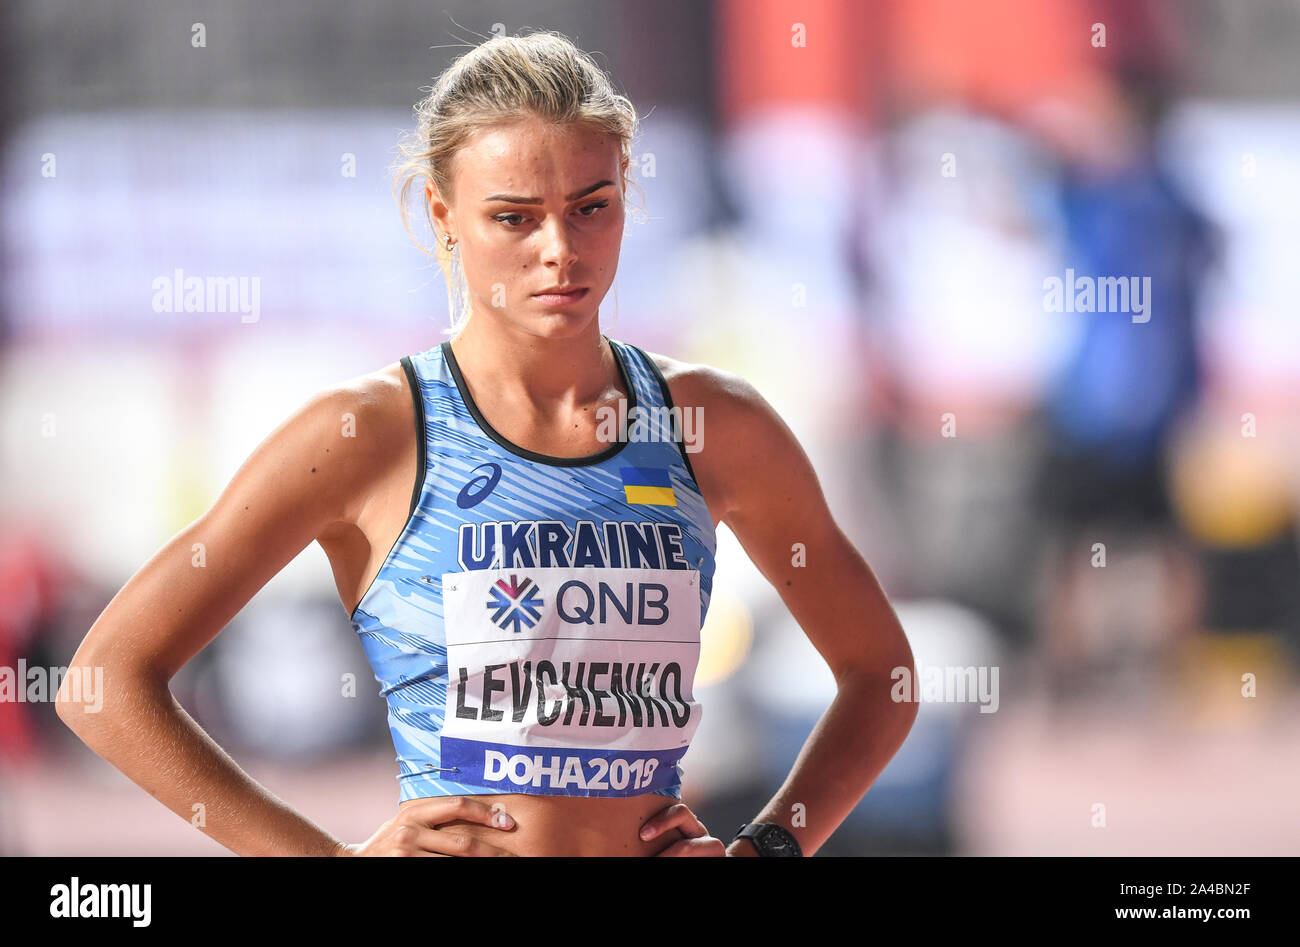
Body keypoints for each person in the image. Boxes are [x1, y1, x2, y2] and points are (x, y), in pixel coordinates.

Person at [55, 30, 917, 857]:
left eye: (592, 208)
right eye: (514, 218)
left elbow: (883, 674)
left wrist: (771, 846)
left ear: (626, 193)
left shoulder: (714, 427)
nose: (560, 252)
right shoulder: (368, 436)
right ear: (443, 214)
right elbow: (105, 683)